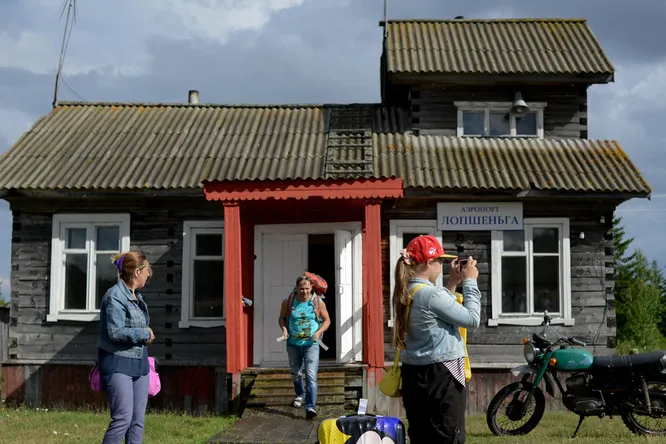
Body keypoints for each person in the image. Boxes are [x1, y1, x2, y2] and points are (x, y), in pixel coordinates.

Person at [392, 235, 481, 444]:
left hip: (415, 373)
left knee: (422, 435)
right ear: (429, 263)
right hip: (442, 374)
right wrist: (470, 282)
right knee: (448, 435)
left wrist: (452, 283)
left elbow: (435, 314)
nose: (441, 264)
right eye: (439, 260)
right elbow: (472, 319)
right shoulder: (431, 294)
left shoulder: (408, 291)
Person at [97, 251, 155, 444]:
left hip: (139, 364)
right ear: (137, 272)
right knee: (122, 419)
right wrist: (144, 334)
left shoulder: (136, 296)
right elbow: (115, 332)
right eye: (147, 270)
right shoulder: (114, 296)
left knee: (137, 422)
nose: (149, 274)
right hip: (118, 363)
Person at [278, 274, 331, 419]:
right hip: (293, 344)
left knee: (311, 375)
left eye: (307, 288)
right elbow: (281, 318)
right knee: (296, 373)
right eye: (301, 289)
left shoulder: (317, 302)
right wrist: (284, 329)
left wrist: (319, 332)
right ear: (297, 288)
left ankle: (310, 407)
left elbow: (327, 321)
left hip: (311, 345)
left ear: (311, 287)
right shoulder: (288, 302)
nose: (304, 292)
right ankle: (300, 394)